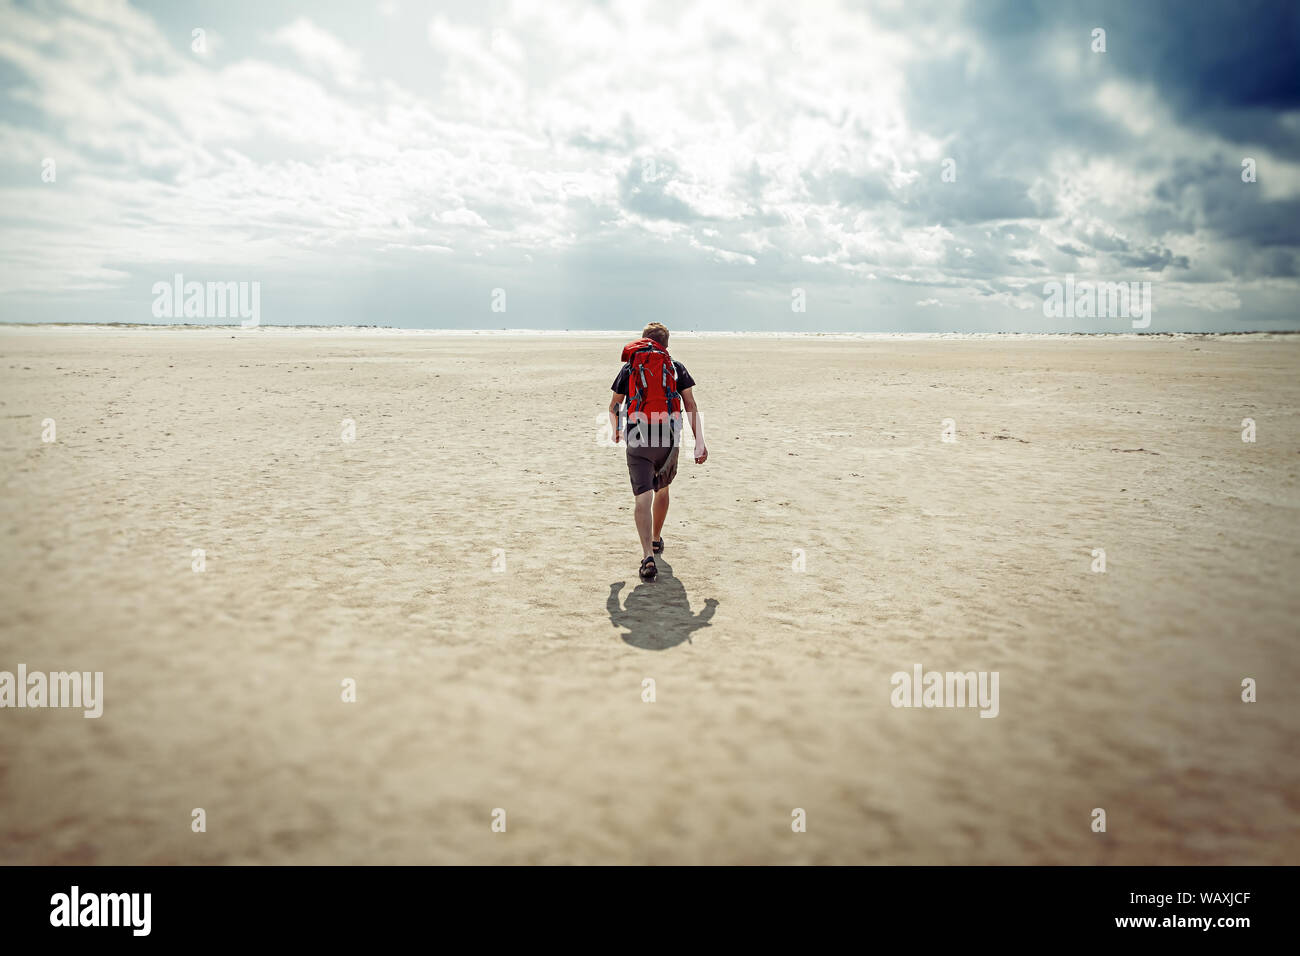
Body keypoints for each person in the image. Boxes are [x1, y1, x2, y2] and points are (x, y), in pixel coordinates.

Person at [608, 322, 707, 581]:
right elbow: (690, 405)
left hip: (637, 435)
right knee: (662, 489)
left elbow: (614, 406)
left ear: (643, 341)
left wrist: (616, 429)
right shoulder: (675, 367)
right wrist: (699, 442)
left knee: (642, 498)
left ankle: (647, 557)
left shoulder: (630, 367)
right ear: (666, 344)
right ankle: (655, 540)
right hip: (668, 437)